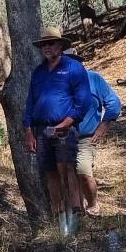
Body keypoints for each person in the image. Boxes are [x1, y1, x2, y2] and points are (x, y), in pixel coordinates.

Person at [23, 25, 93, 236]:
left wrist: (66, 123)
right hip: (42, 130)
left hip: (65, 130)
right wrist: (28, 130)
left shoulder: (73, 68)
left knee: (68, 169)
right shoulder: (38, 72)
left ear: (60, 45)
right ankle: (59, 214)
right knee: (50, 171)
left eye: (51, 43)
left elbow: (83, 101)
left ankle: (76, 212)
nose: (47, 47)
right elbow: (30, 102)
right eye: (44, 44)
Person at [75, 66, 123, 215]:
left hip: (85, 137)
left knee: (83, 171)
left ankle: (92, 205)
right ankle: (77, 207)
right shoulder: (56, 79)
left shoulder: (93, 78)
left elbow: (113, 102)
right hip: (61, 137)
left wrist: (104, 125)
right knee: (66, 174)